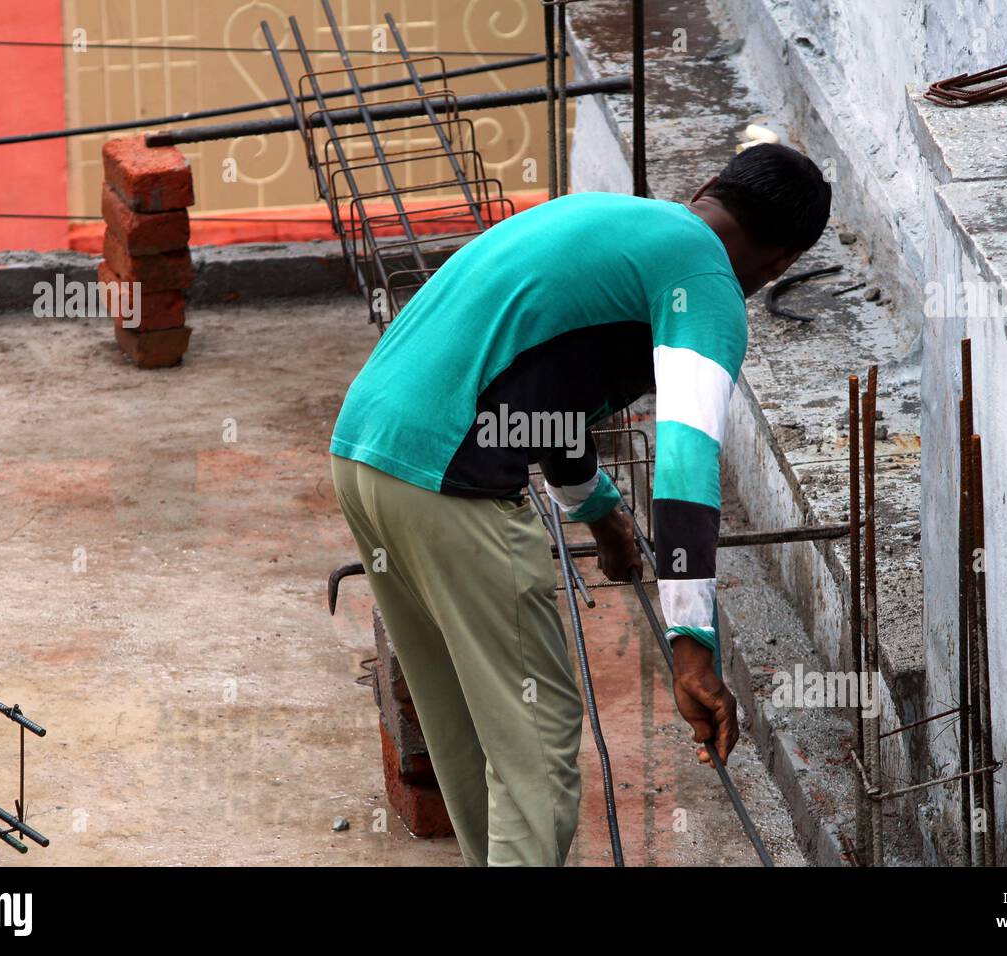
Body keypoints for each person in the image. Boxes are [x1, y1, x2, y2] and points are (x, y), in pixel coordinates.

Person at [331, 142, 832, 866]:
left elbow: (548, 400)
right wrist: (693, 647)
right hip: (450, 485)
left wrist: (600, 510)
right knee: (537, 746)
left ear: (708, 186)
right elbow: (688, 459)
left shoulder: (600, 217)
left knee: (467, 733)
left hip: (364, 454)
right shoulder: (707, 280)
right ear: (782, 263)